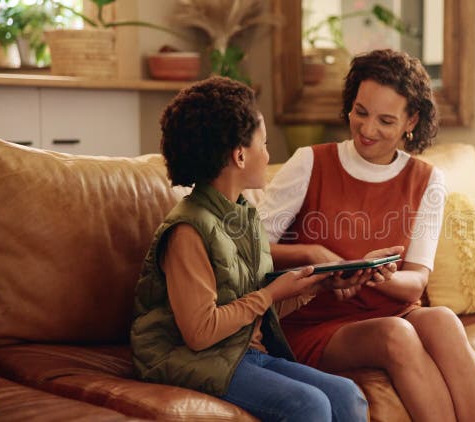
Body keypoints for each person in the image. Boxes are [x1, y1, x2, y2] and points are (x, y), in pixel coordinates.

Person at [258, 50, 475, 422]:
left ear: (410, 120)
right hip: (312, 321)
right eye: (360, 112)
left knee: (444, 320)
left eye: (385, 120)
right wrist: (312, 254)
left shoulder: (427, 179)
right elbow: (249, 250)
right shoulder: (310, 162)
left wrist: (378, 274)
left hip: (393, 307)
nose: (368, 130)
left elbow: (416, 281)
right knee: (396, 335)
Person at [130, 76, 368, 422]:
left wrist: (314, 286)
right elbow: (200, 333)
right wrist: (270, 294)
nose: (269, 155)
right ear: (240, 155)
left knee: (347, 395)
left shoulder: (242, 215)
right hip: (186, 357)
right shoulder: (187, 230)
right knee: (309, 405)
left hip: (240, 351)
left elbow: (247, 303)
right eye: (265, 144)